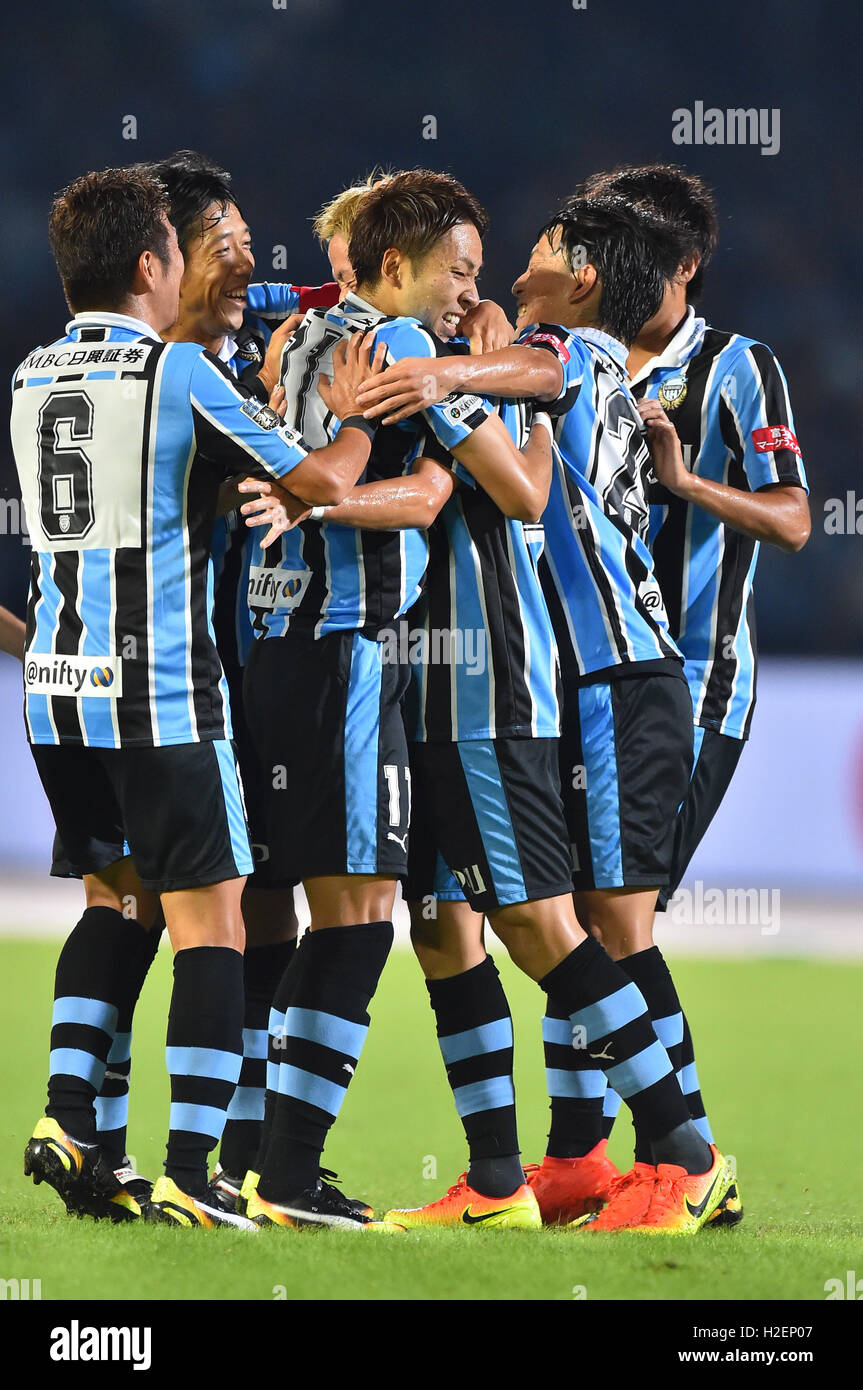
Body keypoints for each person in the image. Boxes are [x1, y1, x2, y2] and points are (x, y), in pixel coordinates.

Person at [13, 165, 385, 1230]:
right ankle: (192, 1167)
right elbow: (314, 484)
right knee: (210, 922)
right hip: (162, 695)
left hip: (57, 698)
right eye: (181, 250)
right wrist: (350, 424)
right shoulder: (176, 370)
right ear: (149, 266)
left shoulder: (35, 372)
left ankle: (66, 1110)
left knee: (115, 898)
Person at [357, 197, 738, 1233]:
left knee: (597, 932)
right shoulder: (603, 358)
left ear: (576, 278)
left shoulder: (560, 352)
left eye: (528, 253)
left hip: (610, 674)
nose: (502, 270)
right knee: (481, 923)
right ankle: (555, 1165)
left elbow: (539, 373)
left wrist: (442, 371)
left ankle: (686, 1158)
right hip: (592, 679)